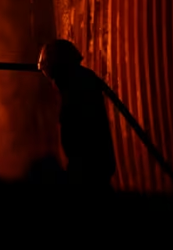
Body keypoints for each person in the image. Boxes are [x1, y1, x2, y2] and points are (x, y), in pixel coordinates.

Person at [37, 39, 117, 193]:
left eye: (51, 75)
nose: (52, 82)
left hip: (89, 175)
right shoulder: (82, 80)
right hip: (94, 170)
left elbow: (77, 137)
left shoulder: (75, 89)